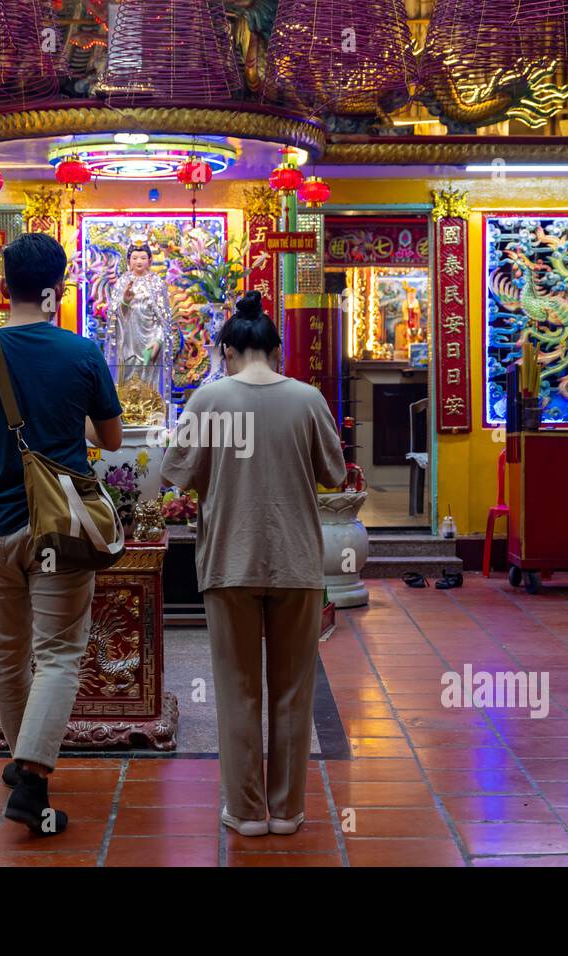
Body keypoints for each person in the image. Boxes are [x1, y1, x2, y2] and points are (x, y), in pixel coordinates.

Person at [0, 233, 123, 835]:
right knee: (59, 653)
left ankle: (22, 765)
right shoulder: (81, 353)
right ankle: (34, 777)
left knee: (7, 653)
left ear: (3, 287)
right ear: (58, 289)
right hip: (59, 530)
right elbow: (114, 439)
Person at [161, 290, 346, 837]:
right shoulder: (309, 399)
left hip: (228, 560)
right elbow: (333, 475)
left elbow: (177, 473)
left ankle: (244, 811)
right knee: (293, 690)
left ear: (225, 350)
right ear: (277, 348)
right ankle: (287, 811)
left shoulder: (207, 401)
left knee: (237, 688)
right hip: (298, 562)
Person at [107, 242, 170, 387]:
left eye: (143, 257)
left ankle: (150, 406)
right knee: (129, 379)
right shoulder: (122, 282)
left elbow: (163, 319)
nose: (139, 261)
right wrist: (125, 302)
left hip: (150, 338)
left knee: (149, 378)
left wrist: (159, 340)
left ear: (150, 260)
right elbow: (115, 317)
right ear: (128, 261)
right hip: (128, 340)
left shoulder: (157, 283)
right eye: (134, 258)